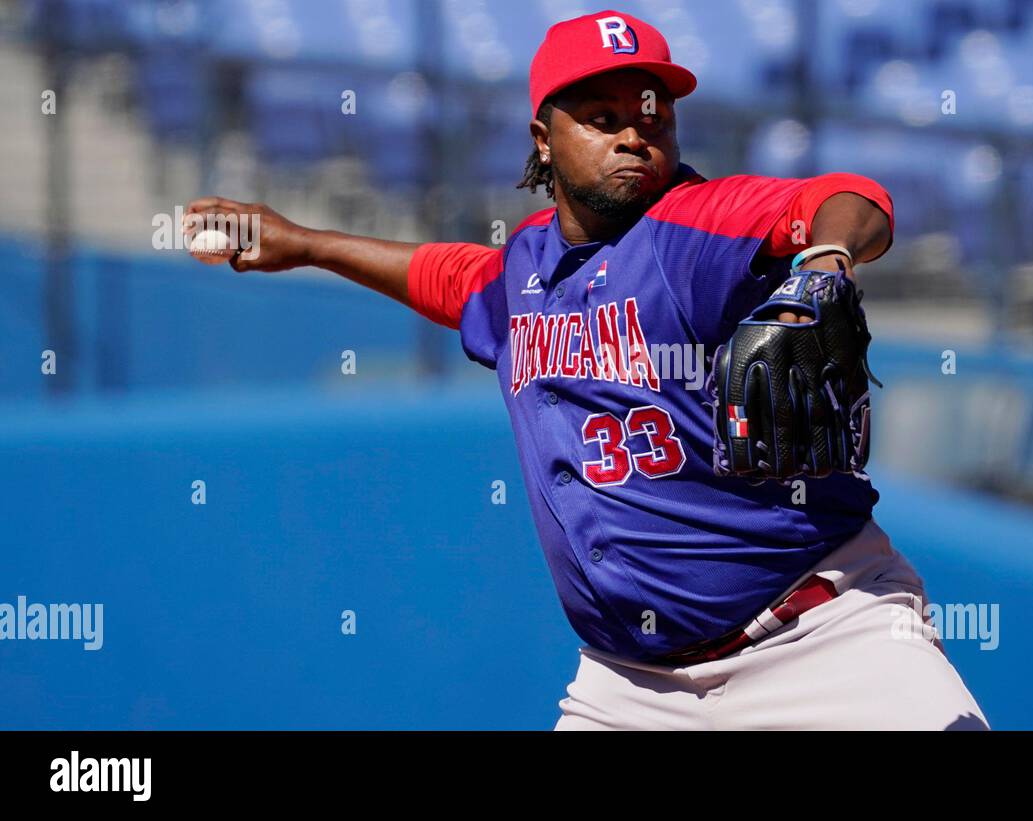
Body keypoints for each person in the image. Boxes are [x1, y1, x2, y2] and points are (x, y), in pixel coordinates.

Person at [187, 9, 989, 730]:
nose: (636, 135)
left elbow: (852, 196)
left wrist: (827, 257)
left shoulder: (693, 226)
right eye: (602, 118)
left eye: (654, 117)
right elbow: (445, 274)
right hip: (630, 689)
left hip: (820, 639)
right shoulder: (524, 269)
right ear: (544, 138)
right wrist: (301, 244)